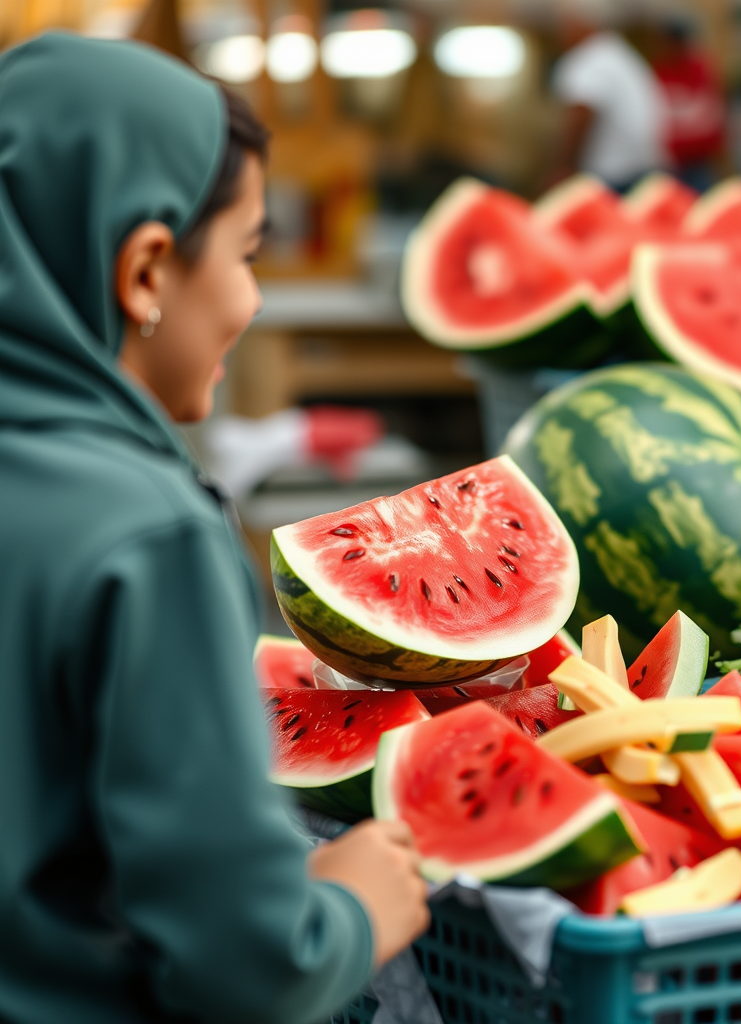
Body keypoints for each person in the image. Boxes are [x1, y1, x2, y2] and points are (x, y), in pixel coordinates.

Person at [0, 32, 428, 1024]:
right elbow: (249, 966)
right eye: (244, 254)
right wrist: (350, 910)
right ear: (147, 269)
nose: (253, 298)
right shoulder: (148, 536)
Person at [549, 2, 668, 191]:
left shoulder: (585, 59)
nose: (561, 32)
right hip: (650, 170)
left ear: (580, 23)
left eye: (565, 24)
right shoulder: (620, 53)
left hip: (612, 177)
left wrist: (562, 168)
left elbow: (581, 114)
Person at [652, 16, 726, 193]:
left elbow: (710, 114)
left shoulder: (700, 68)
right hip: (669, 163)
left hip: (699, 161)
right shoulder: (660, 70)